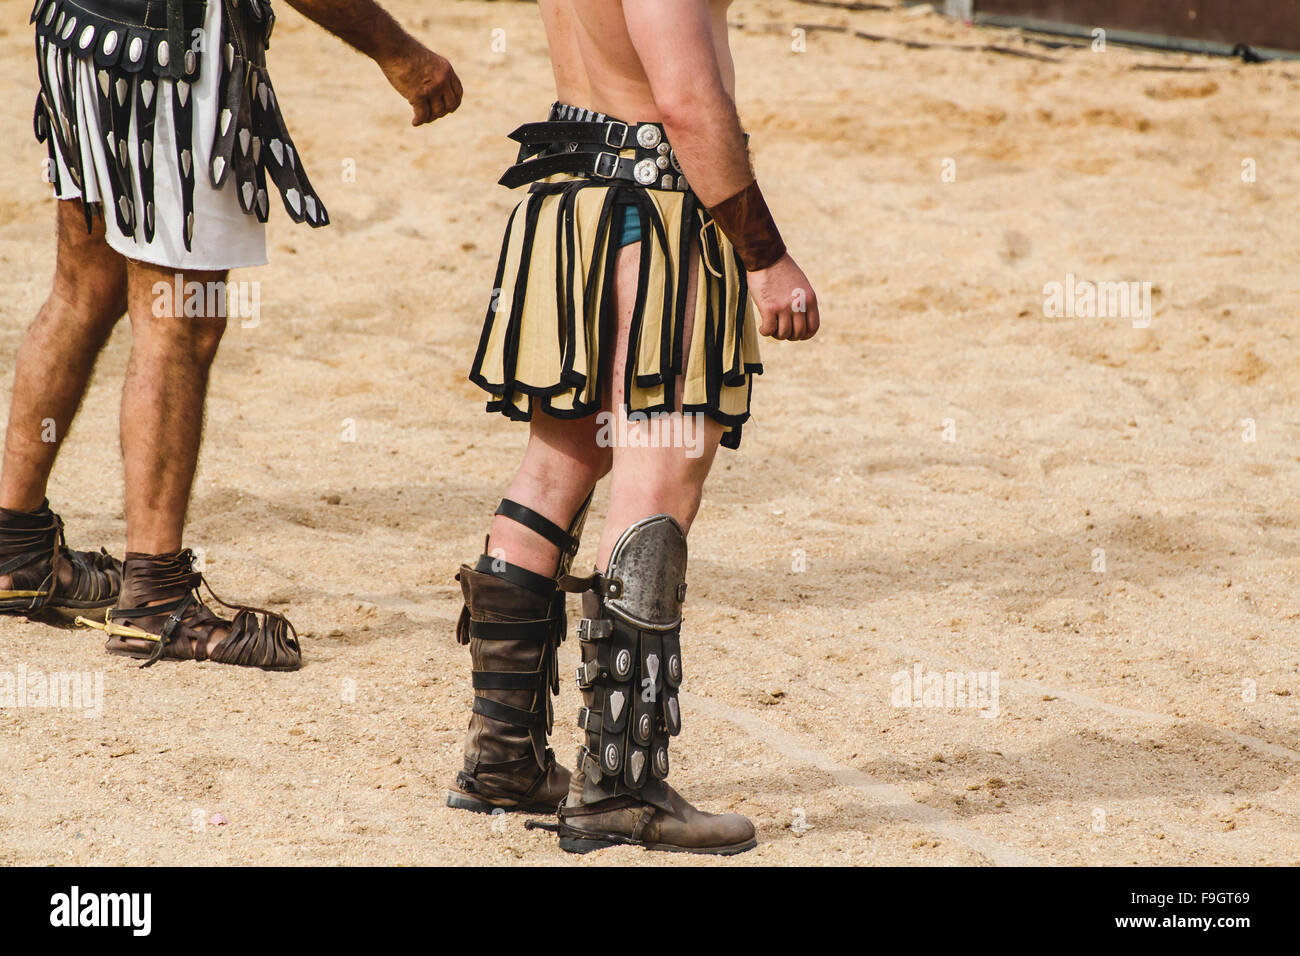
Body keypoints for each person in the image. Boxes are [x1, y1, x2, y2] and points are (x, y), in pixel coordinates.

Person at [448, 0, 820, 854]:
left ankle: (503, 757)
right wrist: (766, 258)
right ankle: (619, 788)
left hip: (571, 203)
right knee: (657, 480)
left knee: (553, 471)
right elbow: (685, 102)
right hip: (652, 219)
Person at [2, 0, 461, 669]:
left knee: (84, 290)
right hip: (172, 50)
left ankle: (15, 548)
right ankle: (155, 600)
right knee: (179, 319)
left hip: (78, 32)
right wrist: (400, 52)